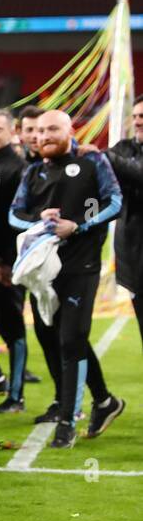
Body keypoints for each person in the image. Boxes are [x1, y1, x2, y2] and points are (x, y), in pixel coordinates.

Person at [10, 110, 125, 447]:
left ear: (69, 130)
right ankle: (104, 401)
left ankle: (67, 422)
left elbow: (114, 201)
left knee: (71, 338)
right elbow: (14, 215)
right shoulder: (33, 172)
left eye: (51, 129)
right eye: (39, 131)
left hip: (82, 266)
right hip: (42, 272)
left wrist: (81, 226)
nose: (43, 135)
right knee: (57, 336)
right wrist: (37, 219)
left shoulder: (93, 162)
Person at [0, 108, 31, 413]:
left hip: (7, 261)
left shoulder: (18, 167)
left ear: (12, 132)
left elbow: (14, 221)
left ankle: (16, 394)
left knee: (13, 326)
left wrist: (7, 263)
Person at [103, 97, 143, 349]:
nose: (138, 121)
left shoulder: (115, 154)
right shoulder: (123, 148)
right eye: (136, 116)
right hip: (133, 251)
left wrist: (104, 155)